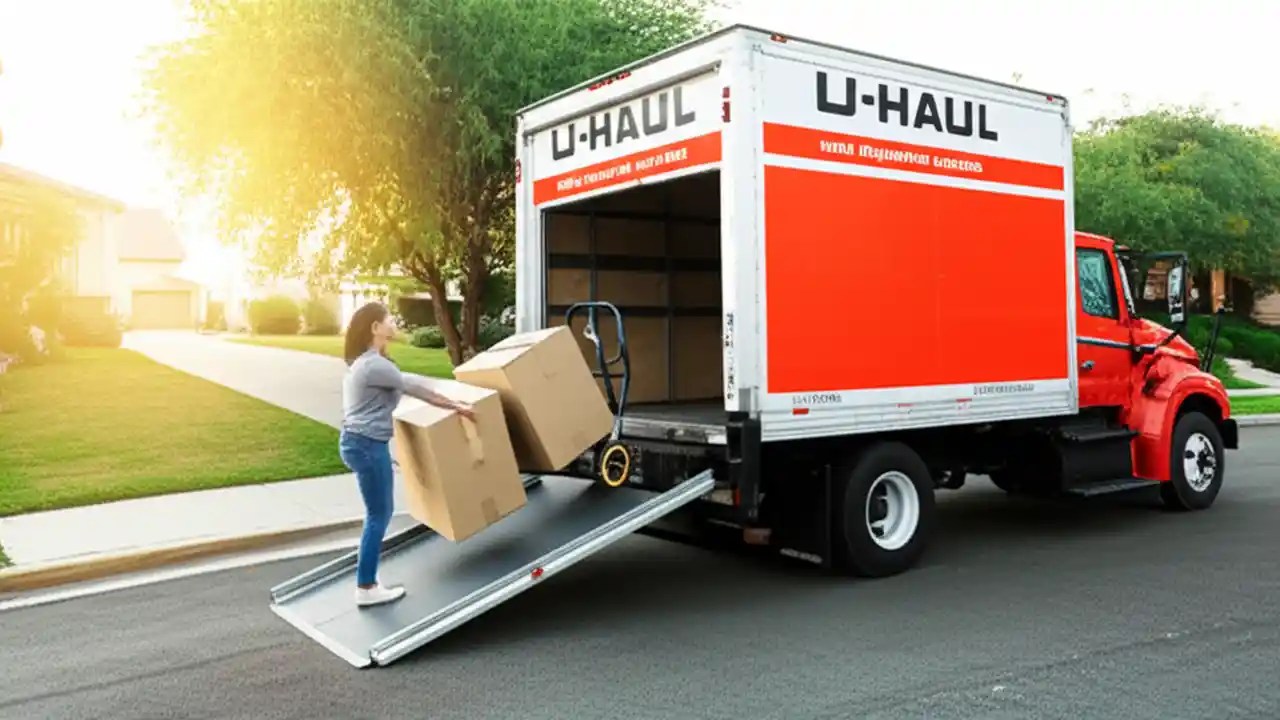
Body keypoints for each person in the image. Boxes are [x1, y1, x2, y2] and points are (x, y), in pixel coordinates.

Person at [341, 301, 474, 607]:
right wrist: (458, 407)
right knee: (379, 515)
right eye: (390, 320)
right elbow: (416, 387)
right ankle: (366, 586)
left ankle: (367, 583)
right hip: (365, 444)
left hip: (360, 442)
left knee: (377, 513)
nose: (394, 323)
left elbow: (401, 386)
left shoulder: (369, 362)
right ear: (376, 328)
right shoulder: (374, 365)